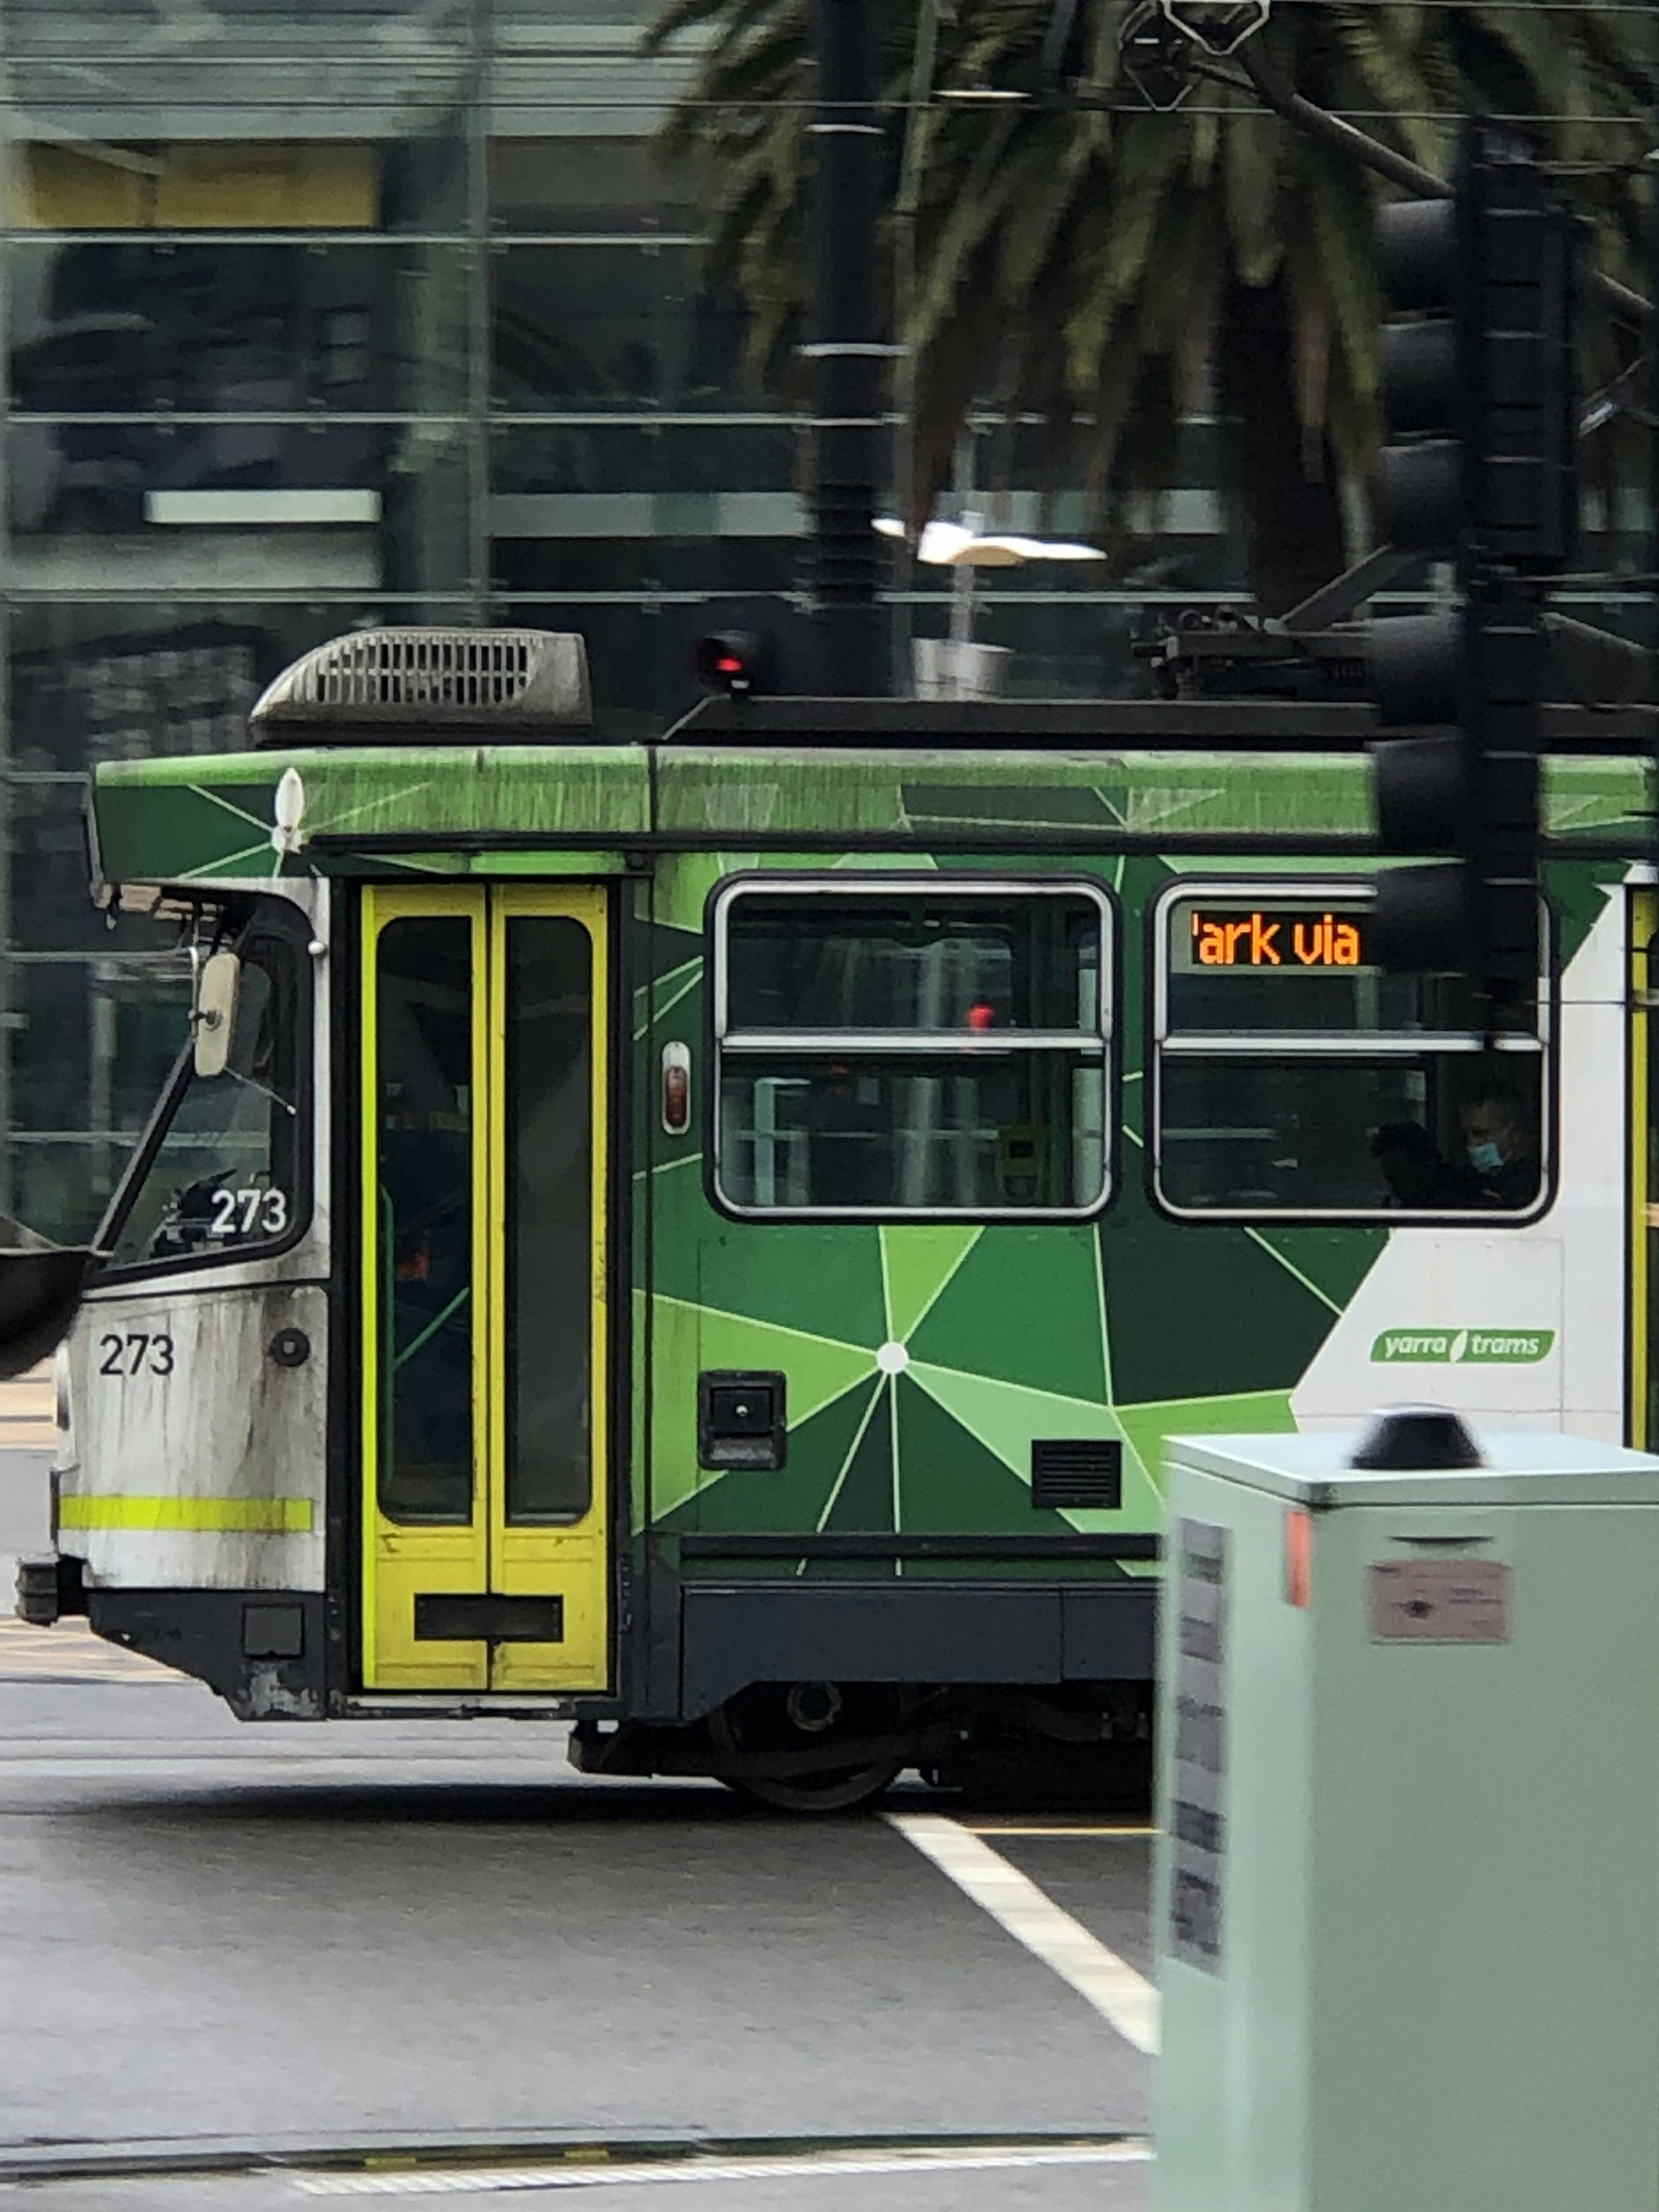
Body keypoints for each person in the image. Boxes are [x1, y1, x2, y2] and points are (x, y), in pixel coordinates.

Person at [1371, 1081, 1541, 1211]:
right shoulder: (1478, 1180)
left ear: (1515, 1134)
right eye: (1466, 1136)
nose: (1471, 1146)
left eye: (1480, 1134)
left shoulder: (1534, 1188)